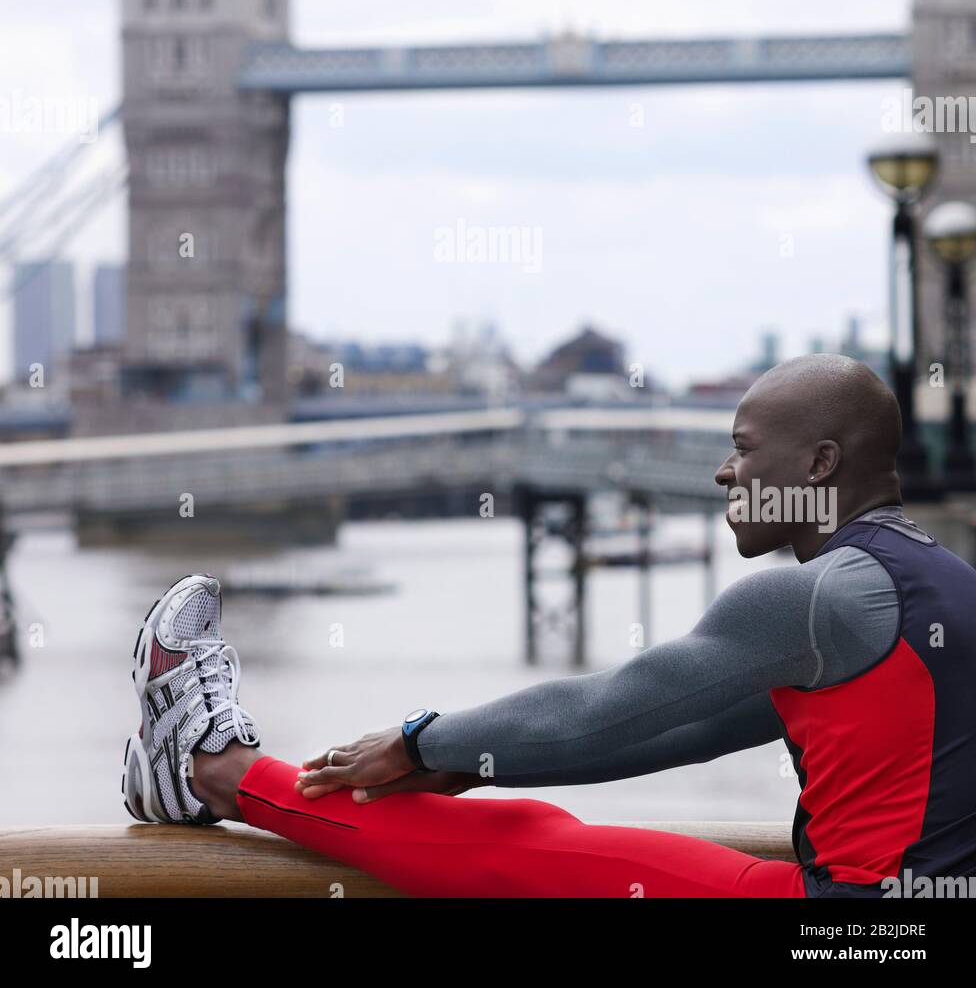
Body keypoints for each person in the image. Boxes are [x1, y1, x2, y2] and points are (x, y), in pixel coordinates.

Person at [122, 355, 976, 897]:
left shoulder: (819, 597)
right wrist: (470, 762)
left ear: (820, 465)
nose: (722, 472)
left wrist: (423, 740)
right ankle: (205, 771)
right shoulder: (937, 583)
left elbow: (612, 704)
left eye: (744, 448)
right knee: (517, 826)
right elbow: (675, 729)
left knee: (518, 851)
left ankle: (212, 769)